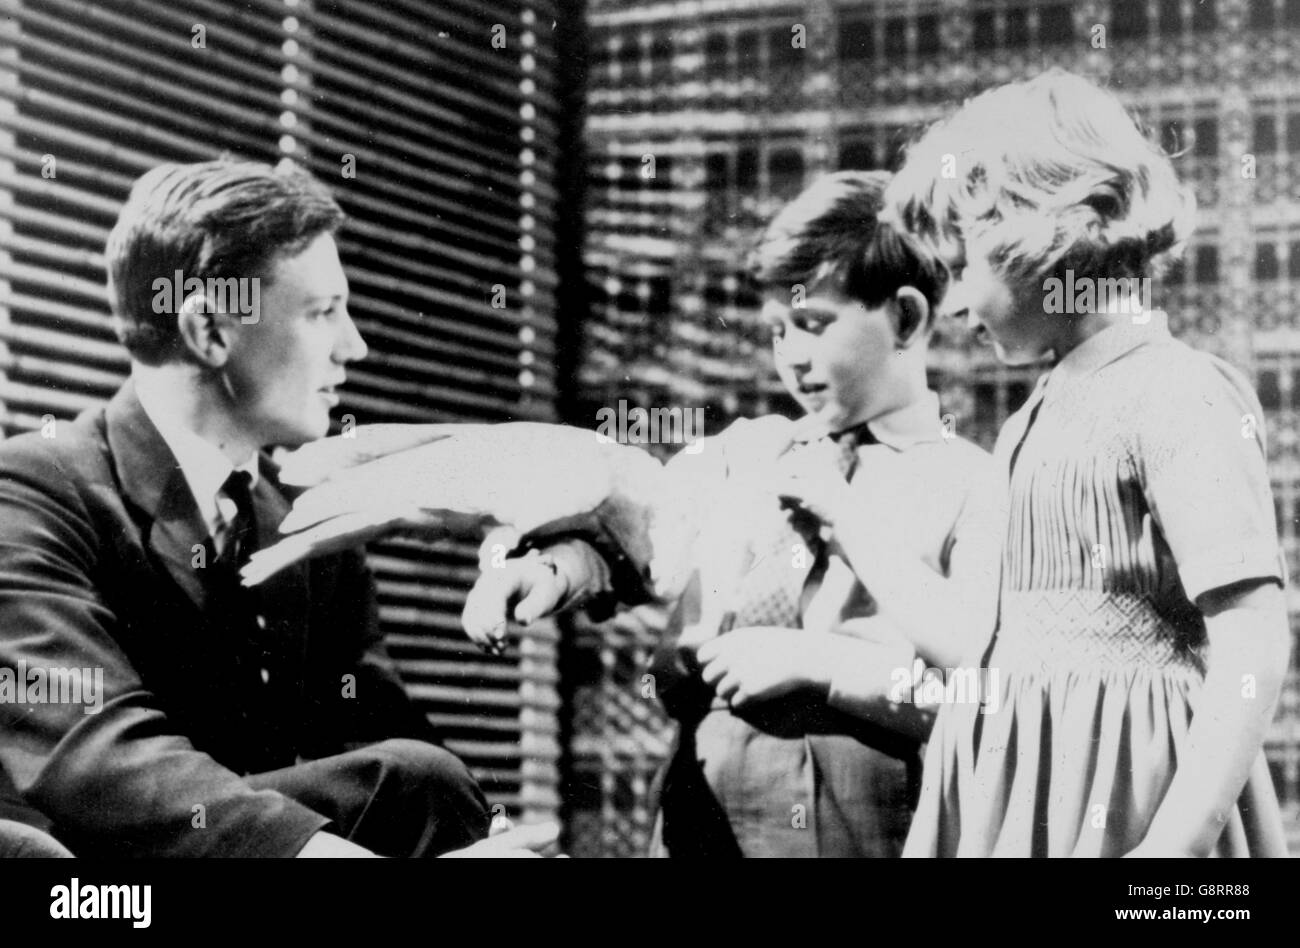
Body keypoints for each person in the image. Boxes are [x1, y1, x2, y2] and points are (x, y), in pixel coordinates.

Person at [0, 158, 556, 858]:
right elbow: (96, 759)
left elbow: (375, 732)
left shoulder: (302, 518)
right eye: (324, 313)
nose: (354, 347)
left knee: (420, 778)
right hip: (93, 892)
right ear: (210, 331)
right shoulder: (34, 489)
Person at [463, 171, 1005, 856]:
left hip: (867, 791)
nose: (791, 358)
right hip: (705, 775)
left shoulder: (972, 484)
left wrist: (824, 665)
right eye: (777, 331)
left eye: (812, 325)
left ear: (905, 317)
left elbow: (988, 693)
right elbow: (637, 539)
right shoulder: (743, 454)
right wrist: (553, 569)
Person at [880, 68, 1290, 857]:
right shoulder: (1034, 416)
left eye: (962, 266)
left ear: (1046, 228)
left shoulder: (1177, 391)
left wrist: (1168, 854)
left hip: (1136, 806)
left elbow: (1254, 644)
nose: (955, 307)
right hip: (1018, 793)